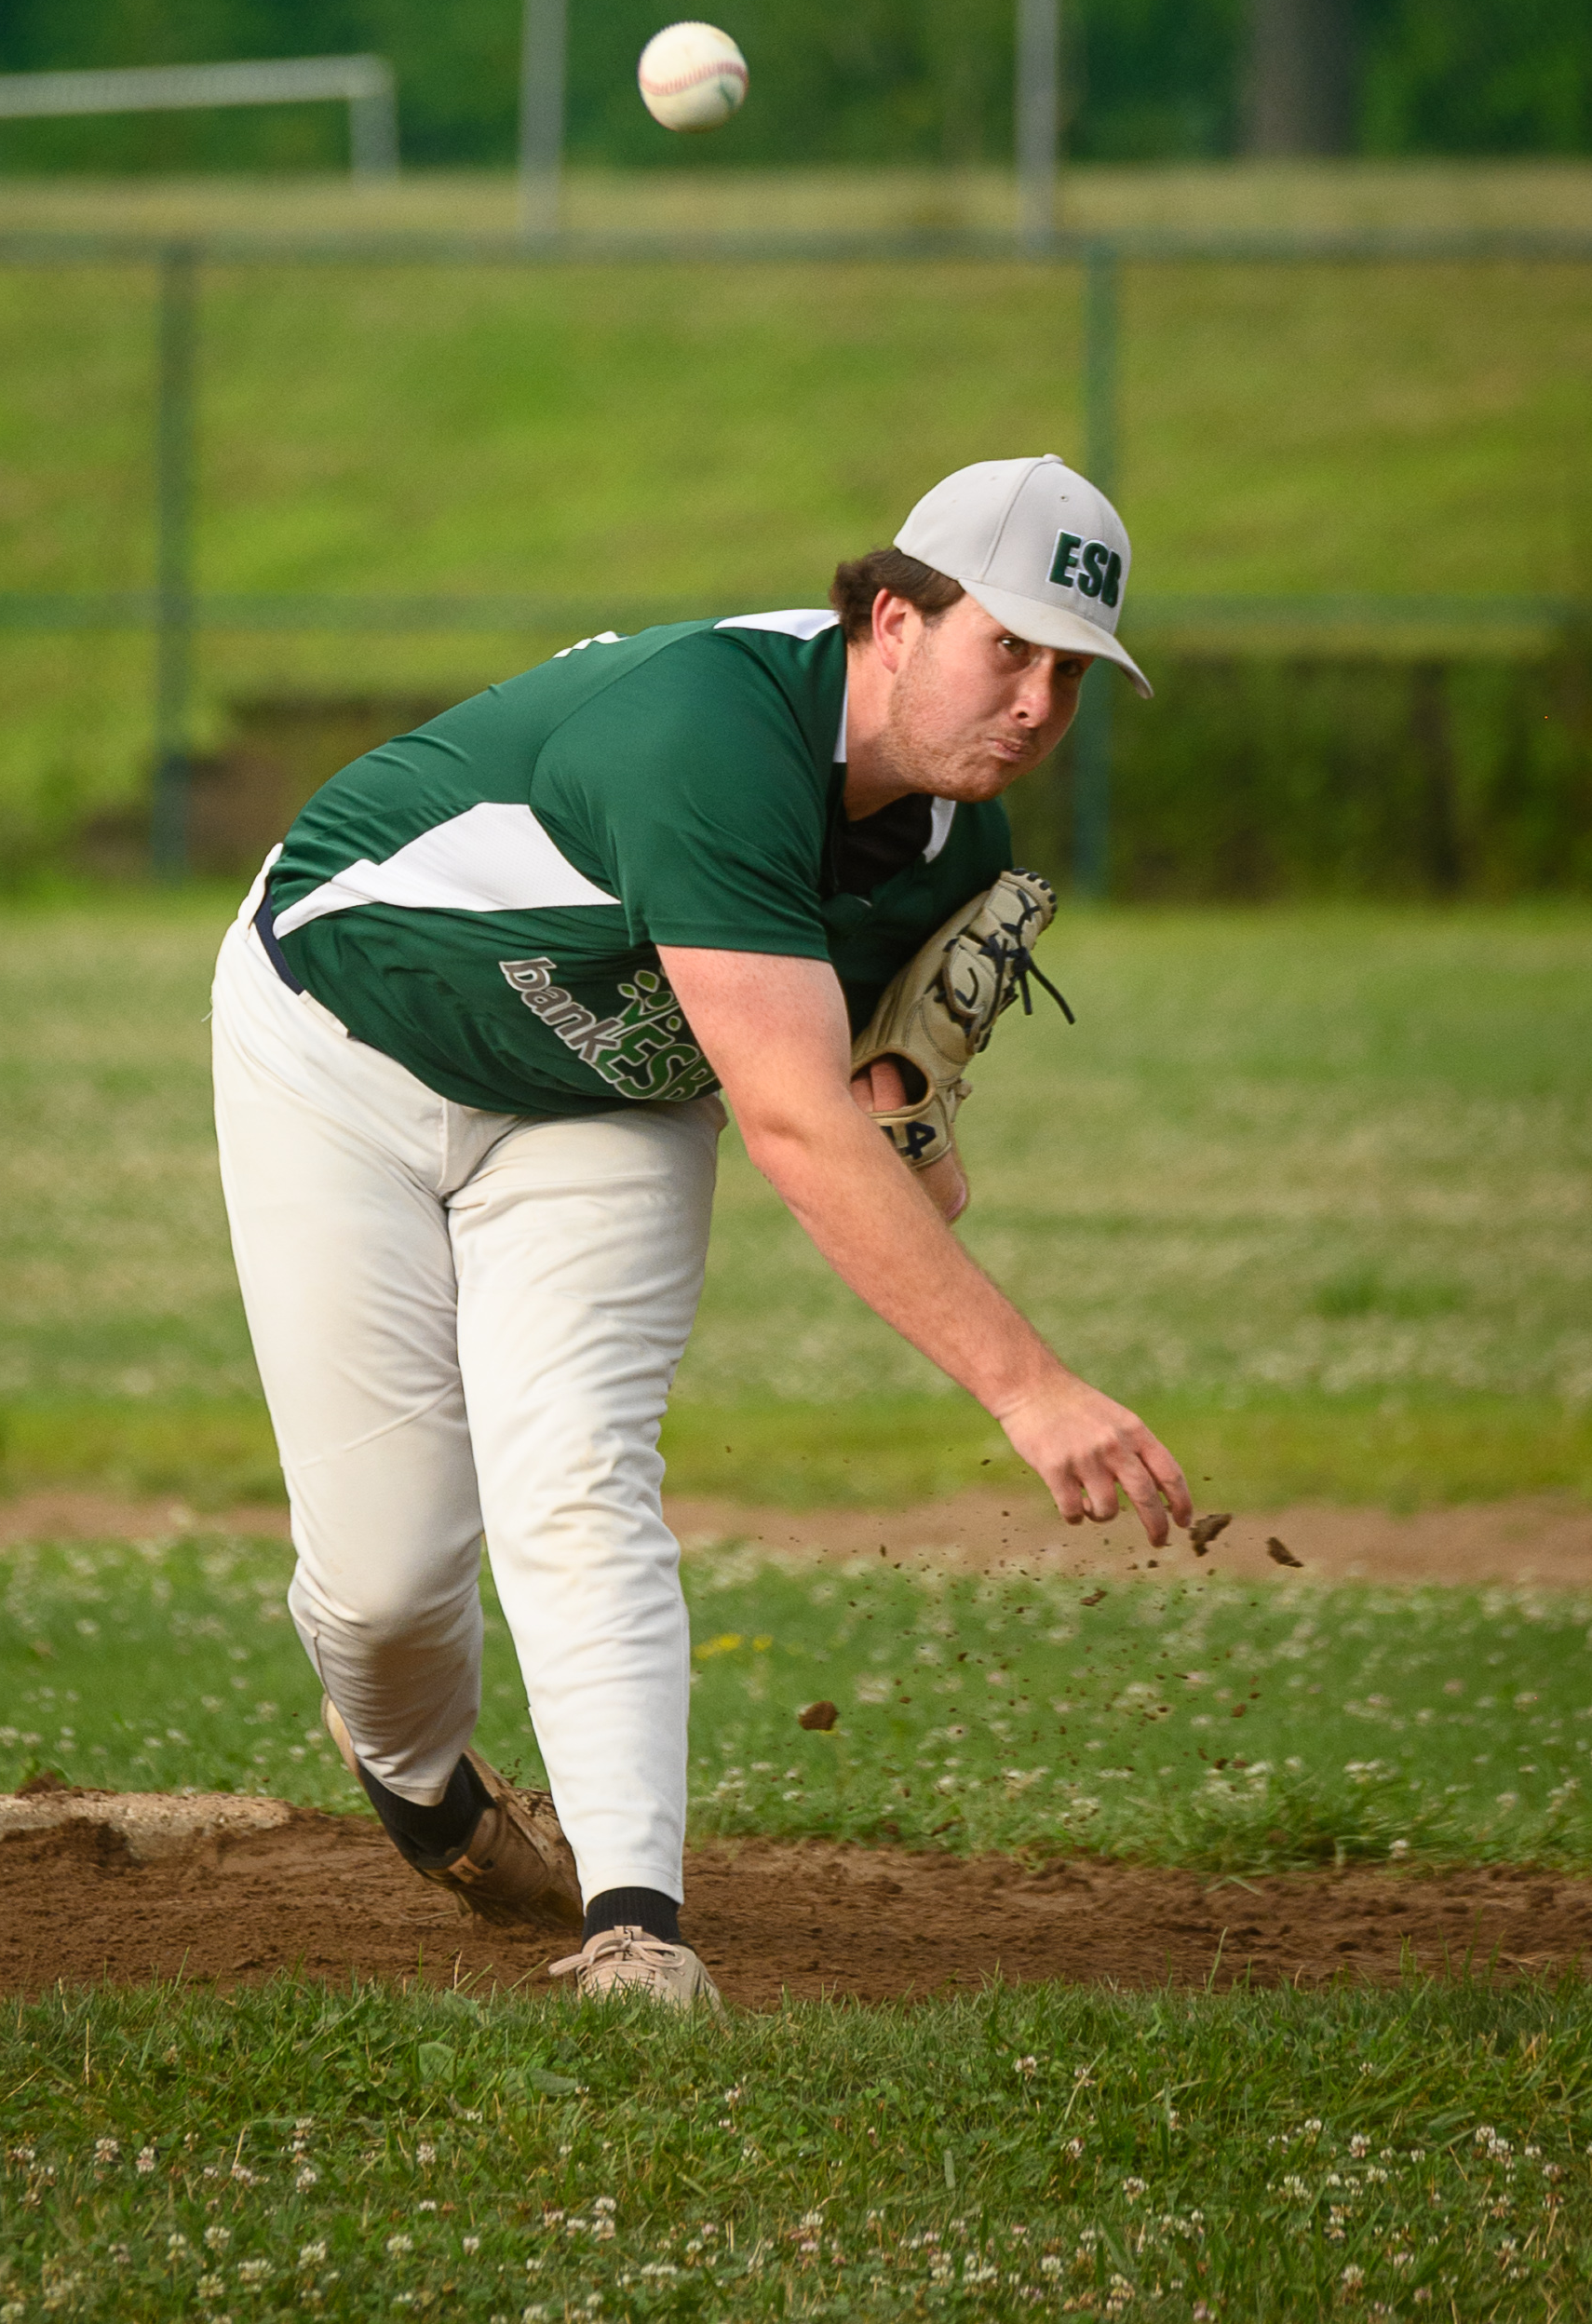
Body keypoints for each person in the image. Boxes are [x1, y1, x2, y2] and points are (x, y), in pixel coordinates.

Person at [210, 453, 1192, 2008]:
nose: (1036, 704)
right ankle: (409, 1765)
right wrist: (1029, 1385)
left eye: (1072, 675)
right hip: (341, 1042)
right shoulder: (711, 733)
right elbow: (797, 1132)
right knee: (392, 1583)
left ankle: (636, 1929)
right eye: (1009, 647)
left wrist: (917, 1102)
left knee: (580, 1474)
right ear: (890, 616)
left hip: (601, 1099)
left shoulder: (961, 856)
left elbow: (880, 1148)